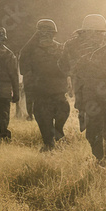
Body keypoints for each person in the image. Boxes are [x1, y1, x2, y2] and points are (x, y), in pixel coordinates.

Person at [63, 14, 106, 163]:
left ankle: (99, 158)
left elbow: (62, 66)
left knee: (93, 125)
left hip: (86, 92)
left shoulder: (72, 45)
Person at [19, 19, 71, 152]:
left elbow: (68, 68)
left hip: (54, 93)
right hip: (44, 93)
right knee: (46, 125)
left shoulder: (59, 48)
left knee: (55, 123)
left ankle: (54, 140)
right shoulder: (32, 50)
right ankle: (51, 146)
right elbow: (23, 68)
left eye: (48, 33)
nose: (46, 36)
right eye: (42, 33)